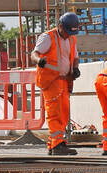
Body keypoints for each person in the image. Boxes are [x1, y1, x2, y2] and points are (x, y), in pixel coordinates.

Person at [33, 12, 82, 156]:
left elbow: (75, 57)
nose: (68, 35)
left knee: (63, 113)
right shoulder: (48, 37)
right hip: (51, 80)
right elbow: (34, 54)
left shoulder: (72, 39)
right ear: (60, 26)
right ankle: (57, 144)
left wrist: (76, 68)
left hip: (64, 81)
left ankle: (54, 144)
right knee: (55, 113)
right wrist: (39, 61)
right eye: (66, 32)